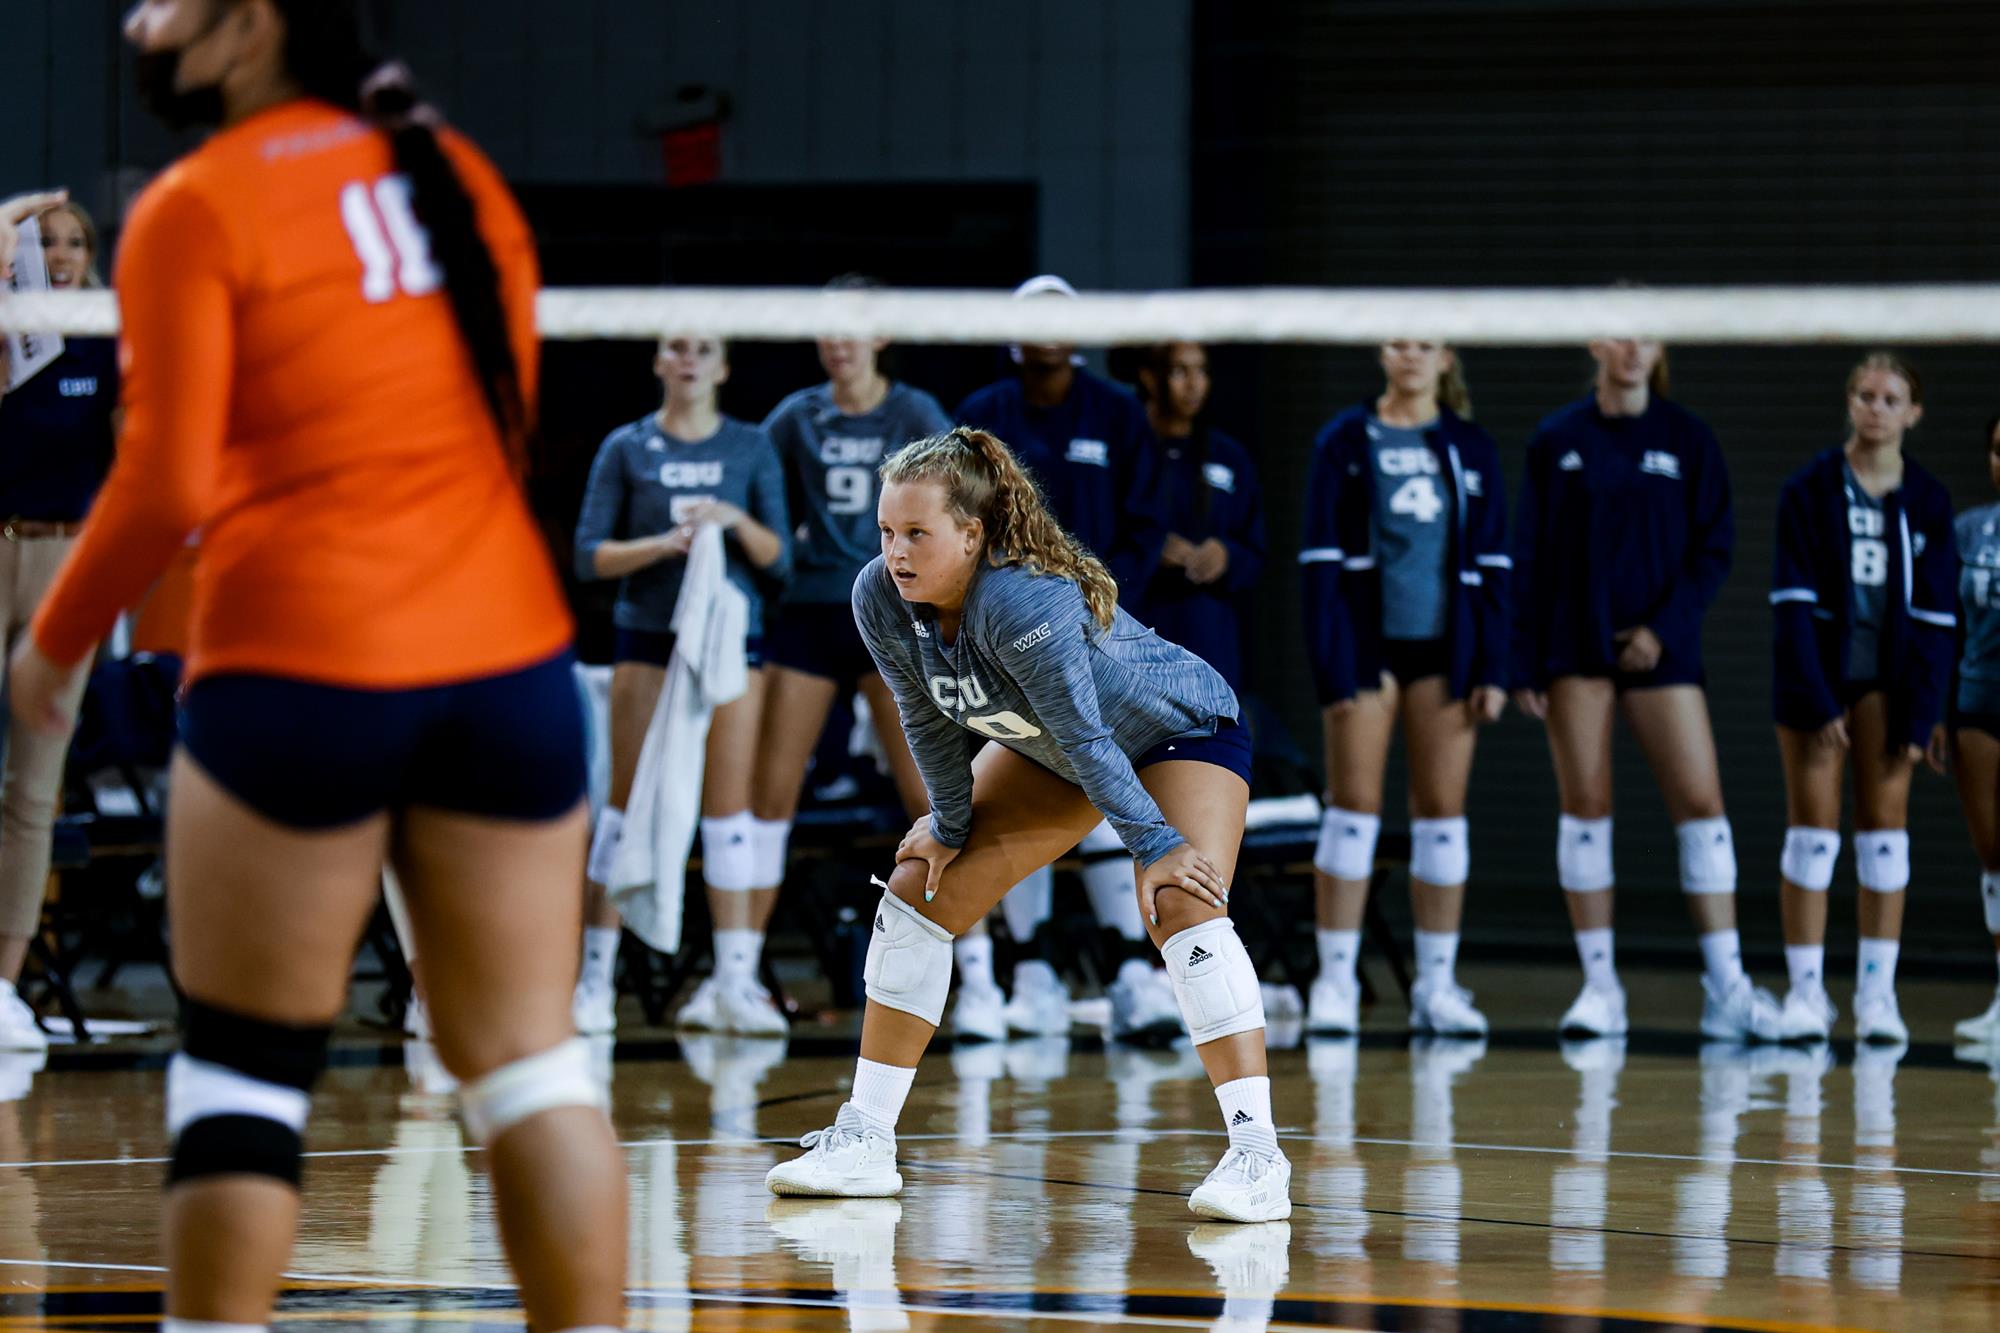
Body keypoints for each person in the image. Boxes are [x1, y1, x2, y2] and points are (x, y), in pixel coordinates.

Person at [9, 3, 626, 1331]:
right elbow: (502, 433)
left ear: (253, 24)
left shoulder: (199, 203)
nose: (138, 20)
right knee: (529, 1066)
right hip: (505, 662)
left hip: (299, 656)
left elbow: (165, 477)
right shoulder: (454, 178)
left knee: (241, 1076)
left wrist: (49, 650)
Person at [765, 427, 1289, 1223]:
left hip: (1176, 729)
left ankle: (1257, 1154)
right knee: (916, 886)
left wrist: (1155, 845)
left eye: (918, 534)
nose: (896, 552)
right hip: (1053, 747)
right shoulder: (878, 593)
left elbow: (1089, 736)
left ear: (972, 535)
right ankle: (865, 1137)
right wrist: (946, 822)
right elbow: (926, 717)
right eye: (887, 532)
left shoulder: (1022, 597)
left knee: (1181, 901)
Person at [748, 286, 1013, 1038]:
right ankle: (737, 974)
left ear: (882, 335)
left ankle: (983, 977)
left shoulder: (916, 413)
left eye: (855, 327)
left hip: (894, 611)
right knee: (771, 793)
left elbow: (960, 505)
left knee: (932, 792)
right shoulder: (795, 417)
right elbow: (762, 495)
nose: (840, 340)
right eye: (827, 327)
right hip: (809, 613)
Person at [1512, 335, 1780, 1041]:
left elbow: (1714, 546)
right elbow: (1530, 554)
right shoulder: (1559, 438)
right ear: (1598, 344)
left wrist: (1663, 628)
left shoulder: (1686, 437)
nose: (1633, 349)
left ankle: (1728, 986)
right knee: (1586, 805)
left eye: (1646, 335)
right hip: (1576, 644)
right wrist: (1525, 660)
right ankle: (1601, 990)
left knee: (1701, 804)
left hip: (1663, 645)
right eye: (1620, 334)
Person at [957, 275, 1170, 1037]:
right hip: (1006, 639)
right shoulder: (982, 419)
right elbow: (960, 528)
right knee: (1020, 789)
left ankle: (1133, 971)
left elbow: (1147, 526)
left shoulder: (1116, 415)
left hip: (1101, 634)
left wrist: (1099, 607)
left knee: (1108, 783)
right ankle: (1035, 970)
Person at [572, 335, 789, 1035]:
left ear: (724, 366)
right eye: (676, 347)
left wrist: (732, 522)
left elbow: (779, 556)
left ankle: (733, 982)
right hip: (647, 640)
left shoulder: (751, 446)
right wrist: (661, 546)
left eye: (703, 348)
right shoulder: (626, 447)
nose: (689, 359)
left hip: (730, 643)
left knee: (727, 812)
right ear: (658, 361)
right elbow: (589, 555)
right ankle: (594, 984)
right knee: (623, 807)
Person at [1299, 341, 1508, 1037]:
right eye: (1399, 339)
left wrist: (1492, 664)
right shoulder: (1345, 439)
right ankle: (1334, 981)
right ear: (1380, 349)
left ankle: (1437, 987)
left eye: (1425, 341)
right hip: (1368, 645)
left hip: (1445, 650)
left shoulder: (1471, 445)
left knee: (1443, 810)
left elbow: (1497, 559)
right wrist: (1332, 663)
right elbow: (1321, 561)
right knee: (1353, 805)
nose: (1411, 353)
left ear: (1446, 355)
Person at [1770, 352, 1954, 1044]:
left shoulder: (1928, 500)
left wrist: (1923, 710)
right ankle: (1807, 994)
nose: (1876, 408)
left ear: (1913, 412)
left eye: (1891, 398)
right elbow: (1790, 602)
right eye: (1865, 395)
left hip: (1890, 680)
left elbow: (1936, 619)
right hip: (1818, 677)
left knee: (1884, 835)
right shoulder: (1810, 487)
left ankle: (1877, 998)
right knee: (1811, 835)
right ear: (1849, 402)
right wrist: (1817, 698)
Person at [0, 198, 118, 1056]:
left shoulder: (109, 339)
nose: (63, 253)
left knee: (35, 787)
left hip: (65, 564)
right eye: (45, 240)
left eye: (76, 241)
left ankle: (3, 988)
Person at [1130, 341, 1265, 692]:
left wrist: (1227, 555)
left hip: (1209, 640)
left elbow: (1255, 549)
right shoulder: (1125, 450)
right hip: (1134, 633)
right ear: (1148, 377)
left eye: (1201, 371)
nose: (1194, 384)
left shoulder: (1229, 456)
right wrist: (1149, 549)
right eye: (1179, 371)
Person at [1953, 415, 2000, 1046]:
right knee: (1994, 856)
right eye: (1997, 451)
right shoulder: (1968, 529)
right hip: (1976, 704)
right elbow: (1945, 627)